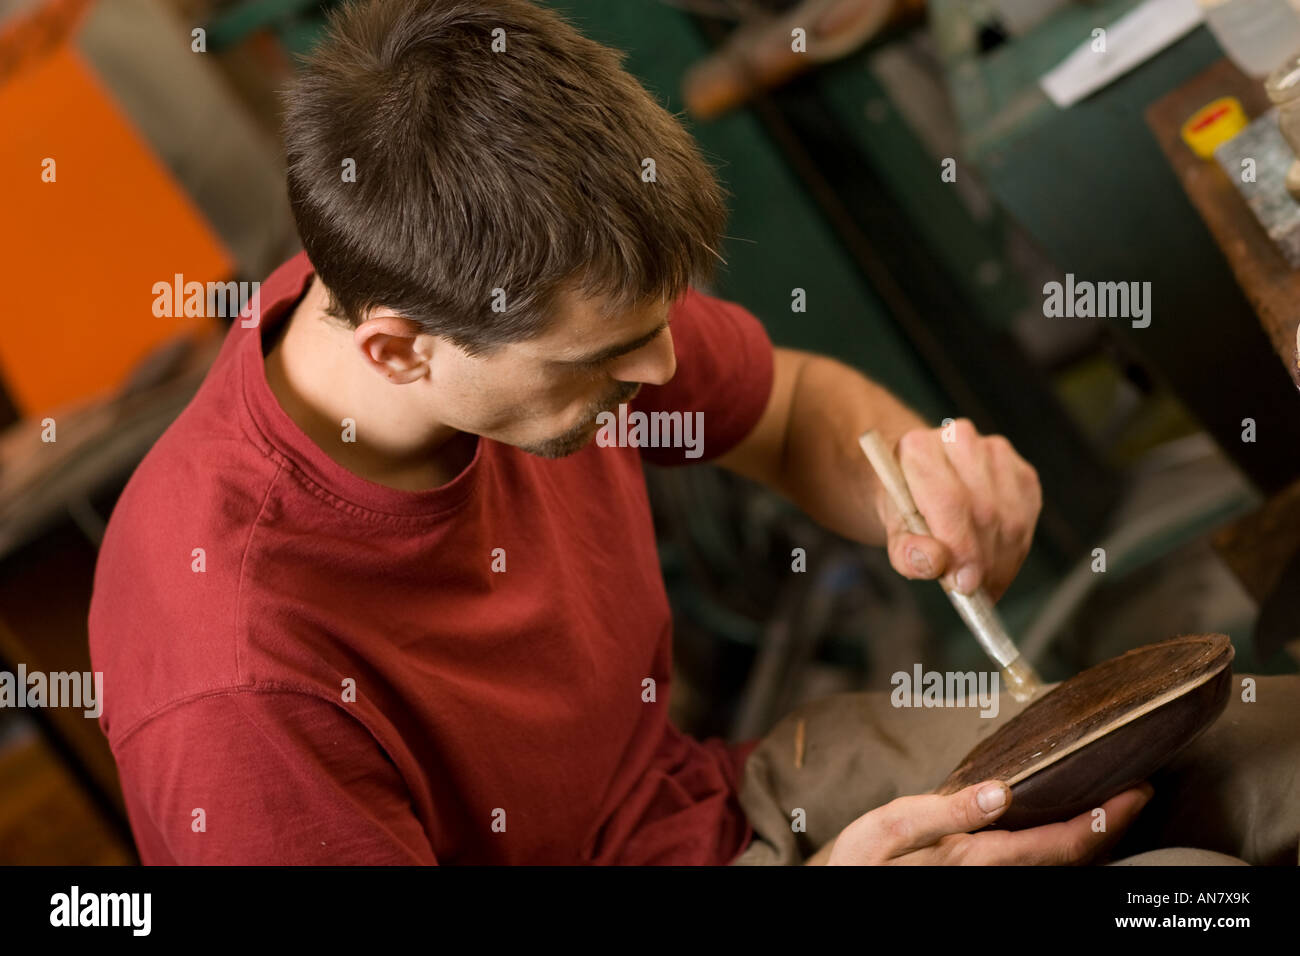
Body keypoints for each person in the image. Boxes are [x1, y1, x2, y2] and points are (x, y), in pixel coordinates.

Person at [88, 0, 1262, 866]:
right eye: (603, 358)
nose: (656, 376)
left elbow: (792, 405)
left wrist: (920, 491)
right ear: (399, 349)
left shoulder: (437, 279)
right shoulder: (233, 682)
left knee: (1255, 753)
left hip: (715, 808)